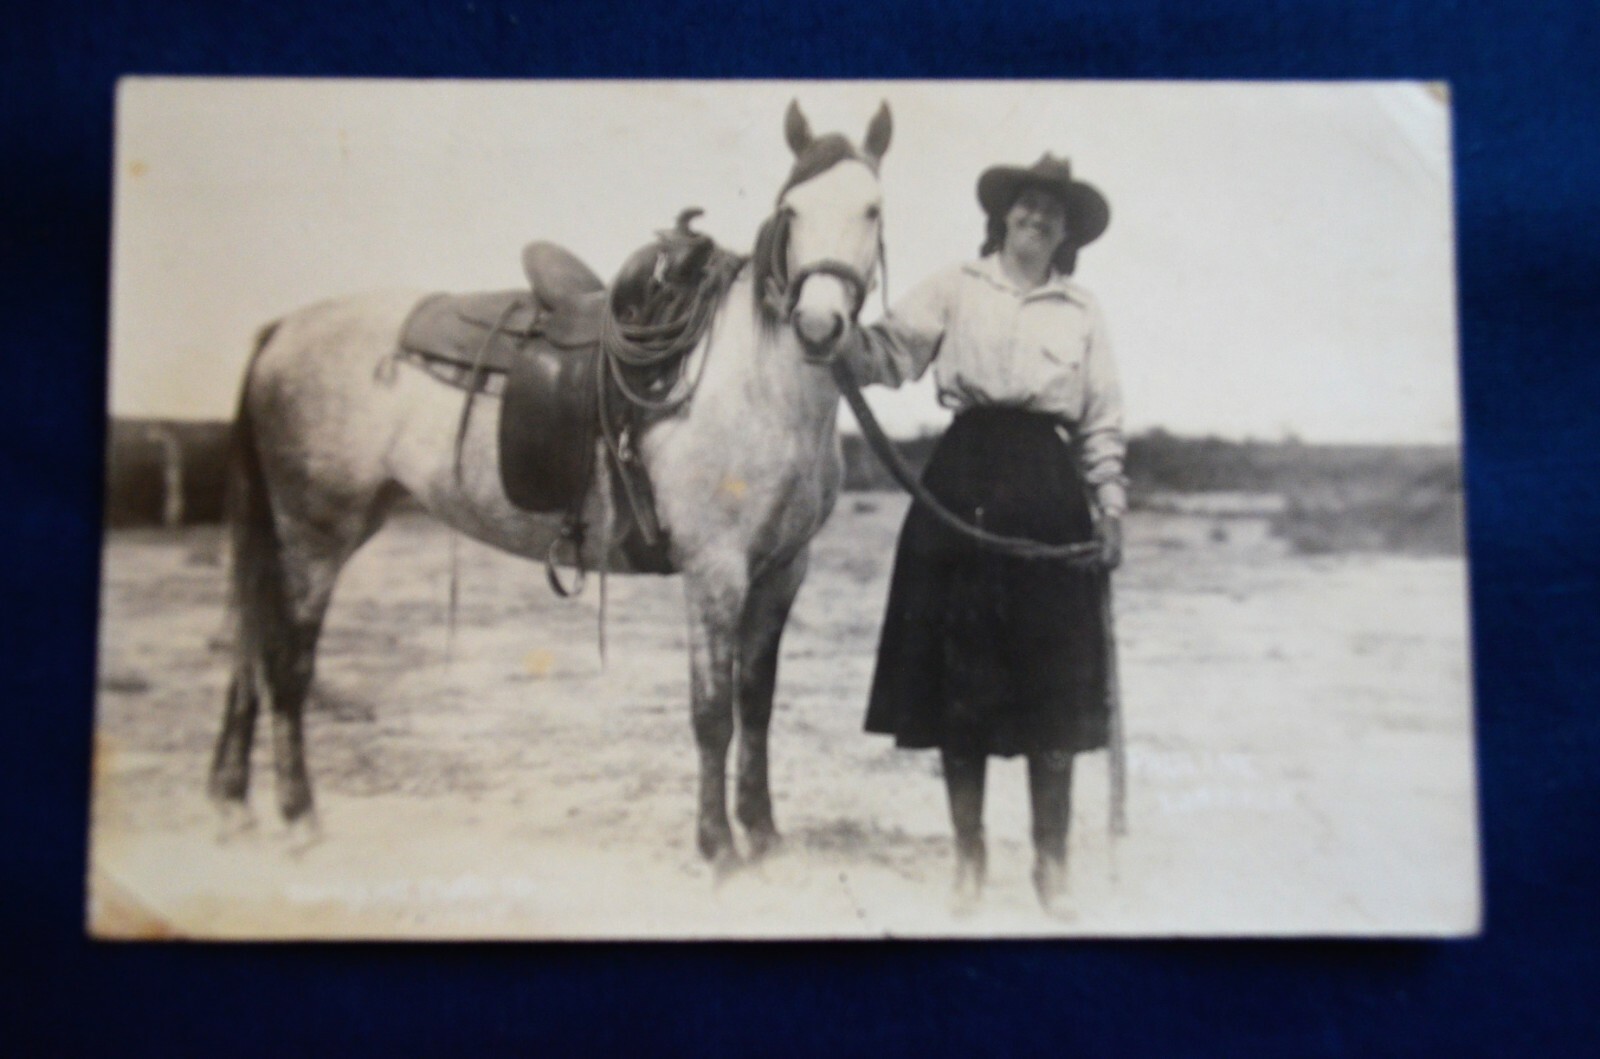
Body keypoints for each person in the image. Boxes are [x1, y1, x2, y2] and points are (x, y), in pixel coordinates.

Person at [843, 153, 1125, 915]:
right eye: (1026, 204)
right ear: (1004, 215)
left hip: (1048, 491)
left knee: (1054, 689)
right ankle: (968, 862)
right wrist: (834, 332)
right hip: (960, 487)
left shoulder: (1082, 311)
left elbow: (1100, 421)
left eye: (1053, 211)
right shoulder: (955, 285)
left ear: (1068, 231)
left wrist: (1109, 506)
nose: (1037, 217)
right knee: (958, 687)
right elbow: (888, 352)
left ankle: (1051, 868)